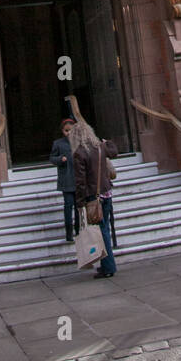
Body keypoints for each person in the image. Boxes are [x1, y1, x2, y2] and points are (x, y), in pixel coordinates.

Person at [71, 120, 118, 278]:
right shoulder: (100, 148)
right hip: (106, 193)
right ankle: (106, 265)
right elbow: (114, 152)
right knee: (104, 229)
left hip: (93, 198)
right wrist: (108, 142)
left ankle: (108, 267)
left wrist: (79, 202)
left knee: (102, 230)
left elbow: (80, 181)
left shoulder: (79, 153)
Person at [49, 116, 79, 242]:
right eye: (66, 131)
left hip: (78, 179)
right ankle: (69, 233)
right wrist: (60, 159)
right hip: (66, 179)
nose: (68, 133)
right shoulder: (58, 143)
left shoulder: (79, 142)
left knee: (79, 207)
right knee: (68, 206)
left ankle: (79, 230)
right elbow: (52, 158)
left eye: (71, 130)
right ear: (62, 131)